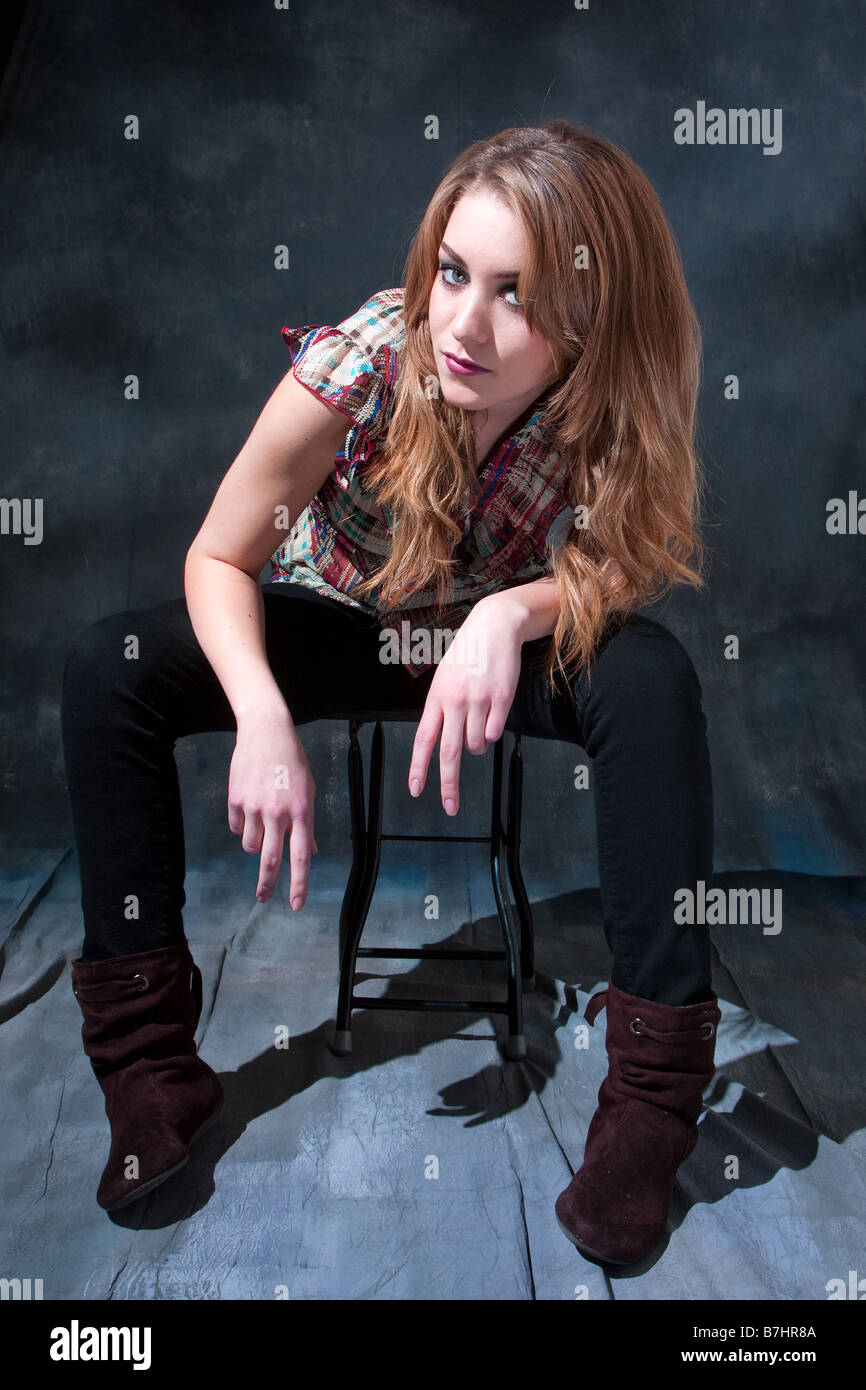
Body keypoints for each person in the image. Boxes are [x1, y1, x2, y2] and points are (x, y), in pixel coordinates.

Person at [61, 119, 721, 1268]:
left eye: (514, 296)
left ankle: (648, 1115)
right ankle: (150, 1074)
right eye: (454, 272)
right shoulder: (369, 356)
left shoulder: (618, 389)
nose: (463, 323)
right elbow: (219, 557)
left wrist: (507, 618)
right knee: (106, 669)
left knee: (650, 675)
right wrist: (262, 714)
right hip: (335, 623)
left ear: (588, 315)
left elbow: (620, 560)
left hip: (484, 651)